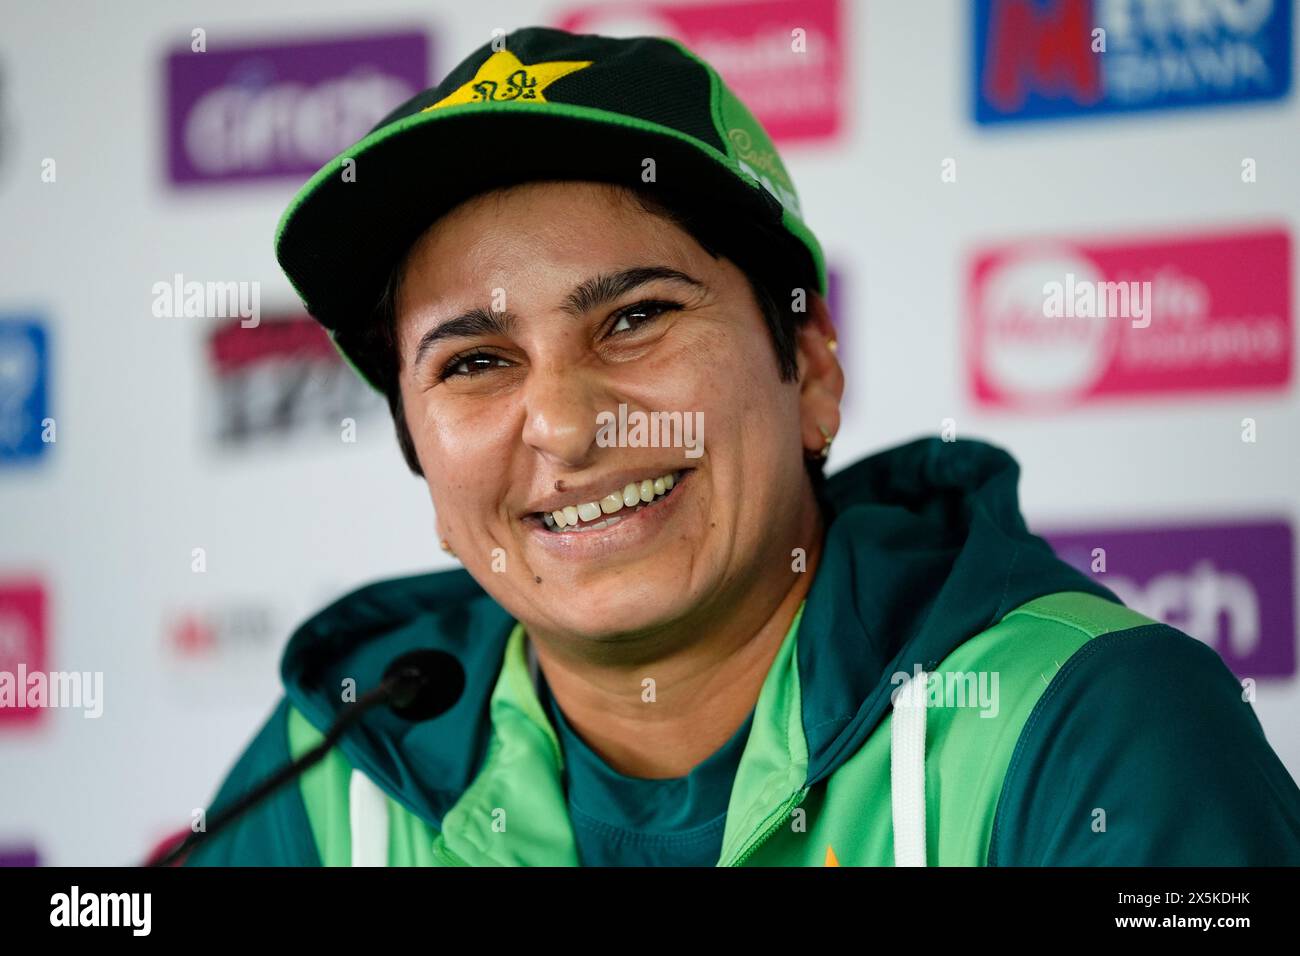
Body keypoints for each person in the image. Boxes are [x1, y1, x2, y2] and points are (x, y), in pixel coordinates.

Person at [184, 26, 1300, 867]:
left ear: (808, 366)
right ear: (420, 453)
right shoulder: (343, 772)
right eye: (474, 361)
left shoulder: (1092, 723)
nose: (567, 425)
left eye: (634, 318)